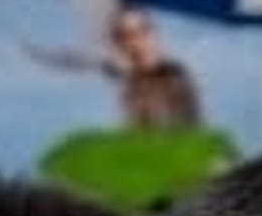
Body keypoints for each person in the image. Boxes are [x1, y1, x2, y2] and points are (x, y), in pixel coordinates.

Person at [28, 7, 204, 131]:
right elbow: (82, 61)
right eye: (126, 36)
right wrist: (38, 54)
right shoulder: (129, 75)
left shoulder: (174, 75)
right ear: (119, 43)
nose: (137, 41)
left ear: (154, 34)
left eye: (143, 31)